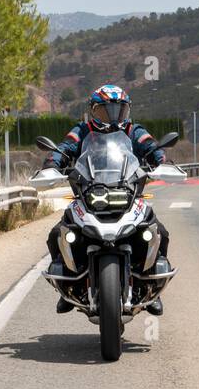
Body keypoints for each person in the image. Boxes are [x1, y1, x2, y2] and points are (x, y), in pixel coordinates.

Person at [43, 84, 170, 315]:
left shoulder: (134, 131)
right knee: (57, 234)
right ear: (93, 111)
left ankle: (152, 289)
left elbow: (151, 146)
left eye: (118, 110)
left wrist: (162, 161)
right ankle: (68, 287)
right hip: (90, 192)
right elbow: (64, 148)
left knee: (159, 231)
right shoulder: (82, 130)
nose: (113, 116)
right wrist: (53, 163)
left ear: (126, 111)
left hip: (127, 191)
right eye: (106, 110)